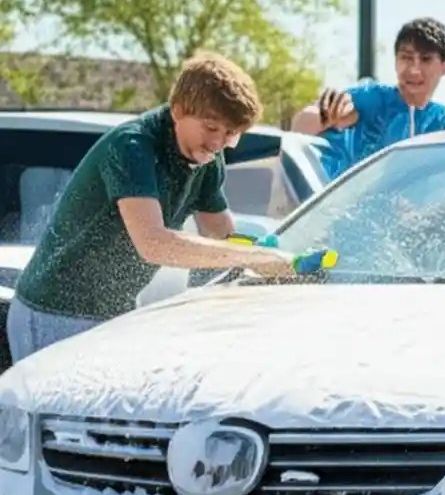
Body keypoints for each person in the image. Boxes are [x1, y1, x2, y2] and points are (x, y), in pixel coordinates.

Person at [7, 52, 300, 362]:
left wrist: (275, 261)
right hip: (53, 315)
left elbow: (222, 236)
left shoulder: (208, 159)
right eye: (211, 128)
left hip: (113, 315)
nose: (219, 143)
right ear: (178, 110)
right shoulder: (131, 147)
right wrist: (255, 257)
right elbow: (153, 244)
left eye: (231, 134)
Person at [291, 16, 445, 179]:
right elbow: (299, 127)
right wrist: (327, 118)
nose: (414, 70)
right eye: (406, 58)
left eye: (426, 59)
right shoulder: (369, 99)